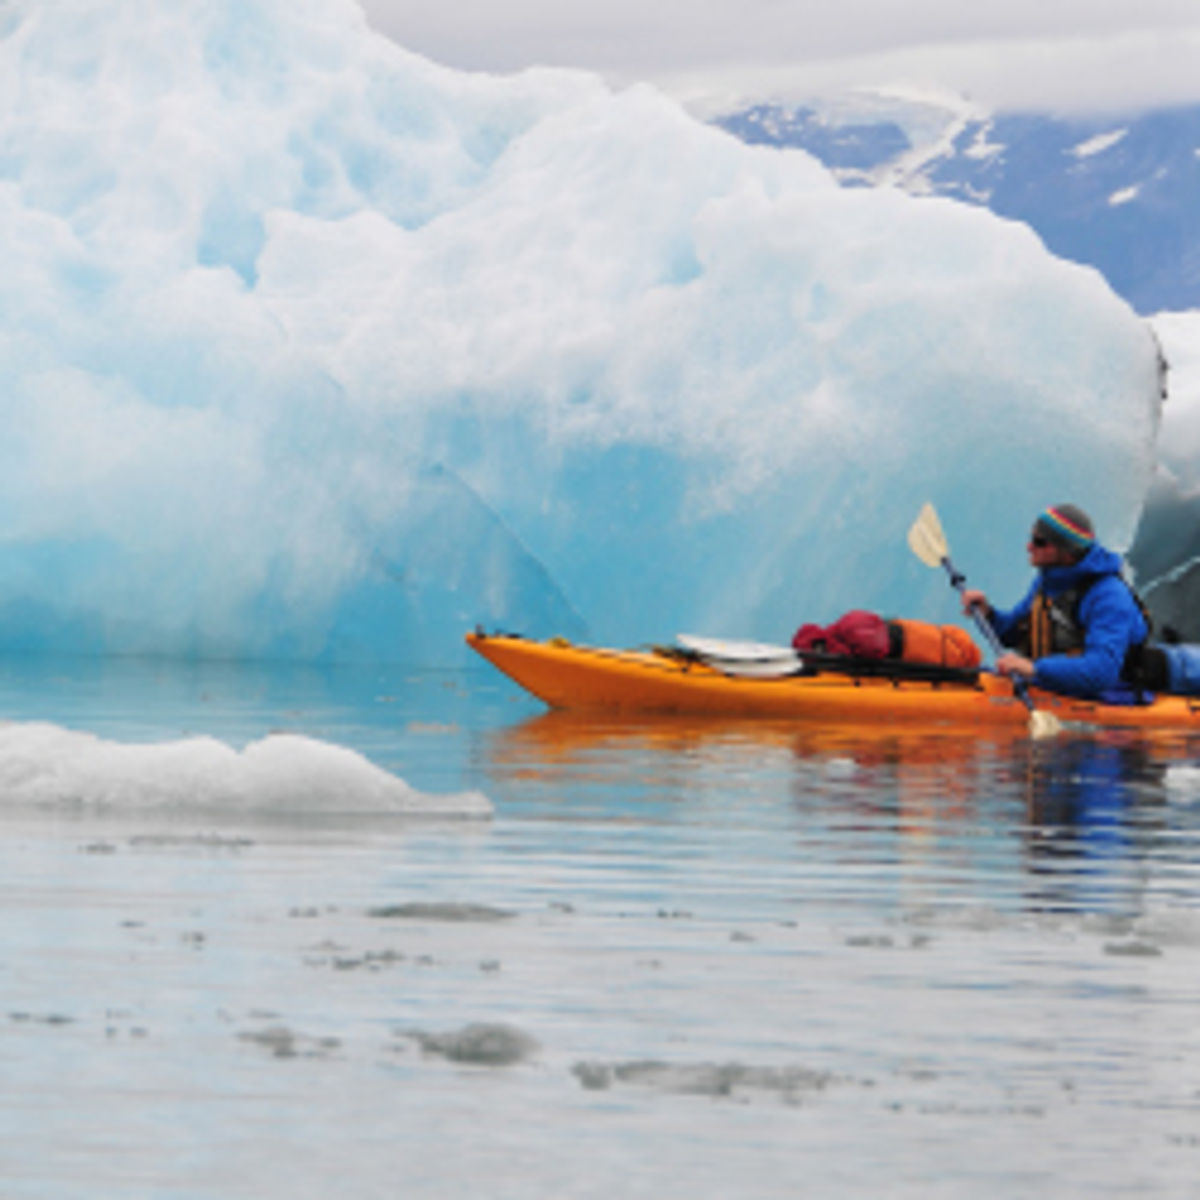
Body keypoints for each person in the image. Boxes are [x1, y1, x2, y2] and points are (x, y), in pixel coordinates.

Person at [961, 504, 1148, 700]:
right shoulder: (1048, 580)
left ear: (1067, 553)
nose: (1029, 546)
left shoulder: (1109, 595)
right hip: (1054, 685)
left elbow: (1102, 671)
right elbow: (1013, 632)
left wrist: (1035, 669)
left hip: (1111, 696)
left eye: (1039, 542)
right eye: (1031, 537)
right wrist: (988, 614)